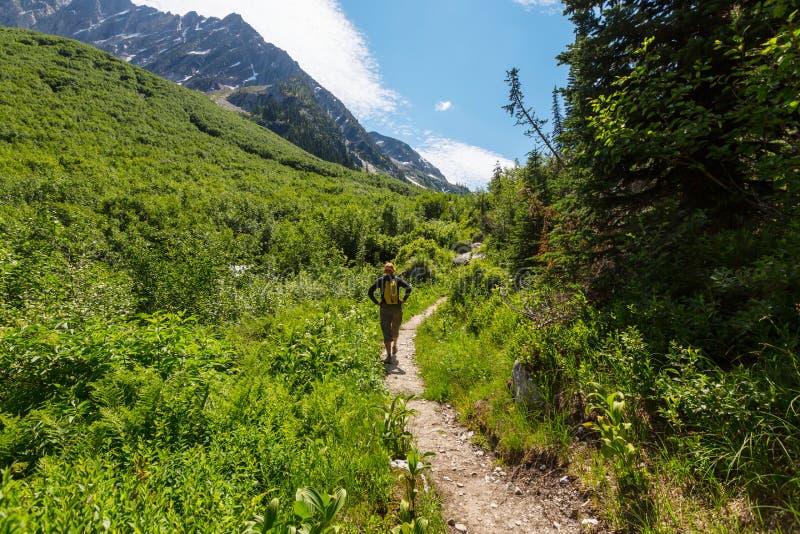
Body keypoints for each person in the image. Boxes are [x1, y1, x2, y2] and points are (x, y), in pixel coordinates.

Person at [368, 262, 412, 363]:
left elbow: (370, 292)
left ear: (385, 271)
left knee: (386, 331)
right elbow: (409, 288)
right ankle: (395, 346)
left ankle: (388, 356)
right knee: (395, 328)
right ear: (393, 271)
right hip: (397, 308)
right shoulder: (398, 280)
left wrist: (377, 302)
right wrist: (404, 299)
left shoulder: (380, 280)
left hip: (384, 309)